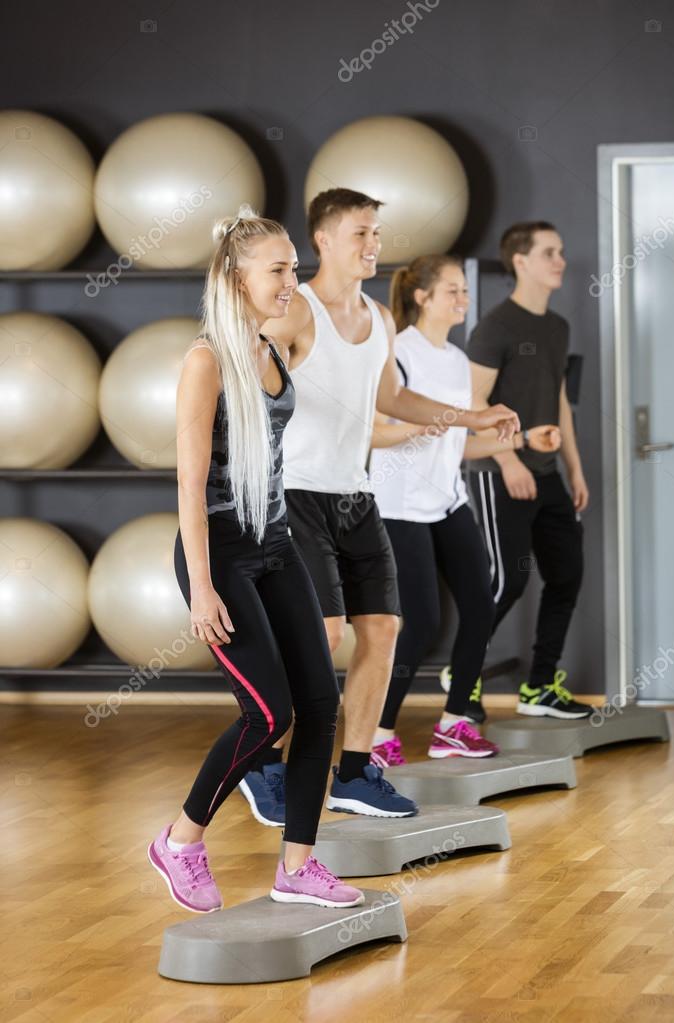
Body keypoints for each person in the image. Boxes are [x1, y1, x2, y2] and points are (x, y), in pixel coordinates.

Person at [240, 188, 520, 825]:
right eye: (361, 233)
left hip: (355, 495)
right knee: (325, 632)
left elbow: (393, 396)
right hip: (297, 494)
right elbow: (240, 382)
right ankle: (264, 761)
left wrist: (472, 416)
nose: (373, 245)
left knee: (384, 630)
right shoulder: (295, 312)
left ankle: (356, 770)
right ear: (325, 242)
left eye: (377, 234)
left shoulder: (377, 318)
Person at [147, 206, 364, 913]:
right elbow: (187, 481)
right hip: (220, 554)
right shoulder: (204, 360)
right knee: (268, 712)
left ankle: (297, 866)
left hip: (275, 546)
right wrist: (203, 585)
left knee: (321, 705)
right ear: (236, 277)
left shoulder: (268, 349)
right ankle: (179, 839)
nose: (290, 280)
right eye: (278, 269)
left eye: (293, 268)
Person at [369, 255, 561, 765]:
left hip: (448, 497)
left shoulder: (455, 359)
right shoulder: (398, 354)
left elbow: (457, 446)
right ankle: (376, 733)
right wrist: (417, 427)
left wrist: (520, 441)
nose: (463, 299)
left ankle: (455, 723)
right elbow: (376, 436)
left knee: (480, 604)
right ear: (423, 297)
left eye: (464, 290)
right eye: (452, 290)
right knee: (422, 622)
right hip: (400, 505)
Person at [455, 220, 591, 720]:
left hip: (547, 470)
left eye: (560, 252)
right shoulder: (495, 326)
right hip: (497, 471)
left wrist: (574, 469)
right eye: (550, 253)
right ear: (521, 261)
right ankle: (462, 679)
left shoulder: (556, 327)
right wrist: (507, 459)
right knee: (504, 582)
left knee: (567, 575)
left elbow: (560, 402)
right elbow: (474, 403)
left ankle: (539, 687)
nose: (560, 261)